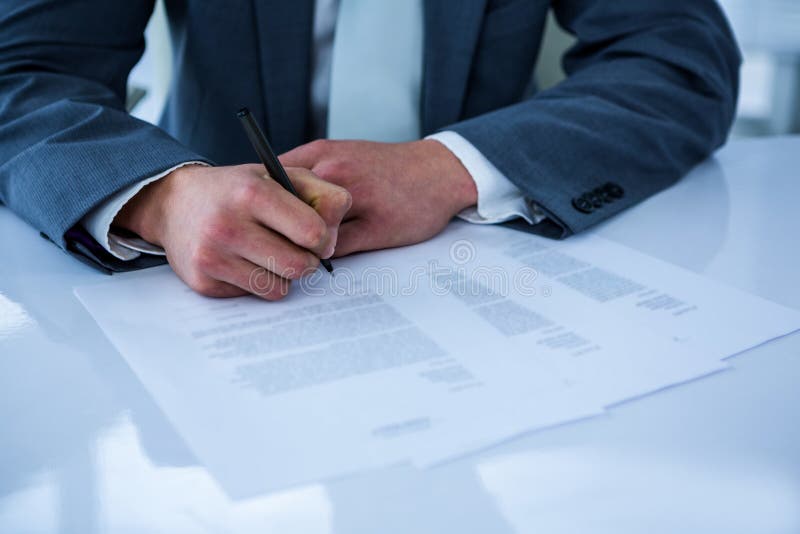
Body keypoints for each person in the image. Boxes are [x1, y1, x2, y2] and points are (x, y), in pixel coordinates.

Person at [0, 1, 740, 300]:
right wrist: (161, 196)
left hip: (484, 268)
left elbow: (678, 54)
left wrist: (451, 166)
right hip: (206, 285)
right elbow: (20, 71)